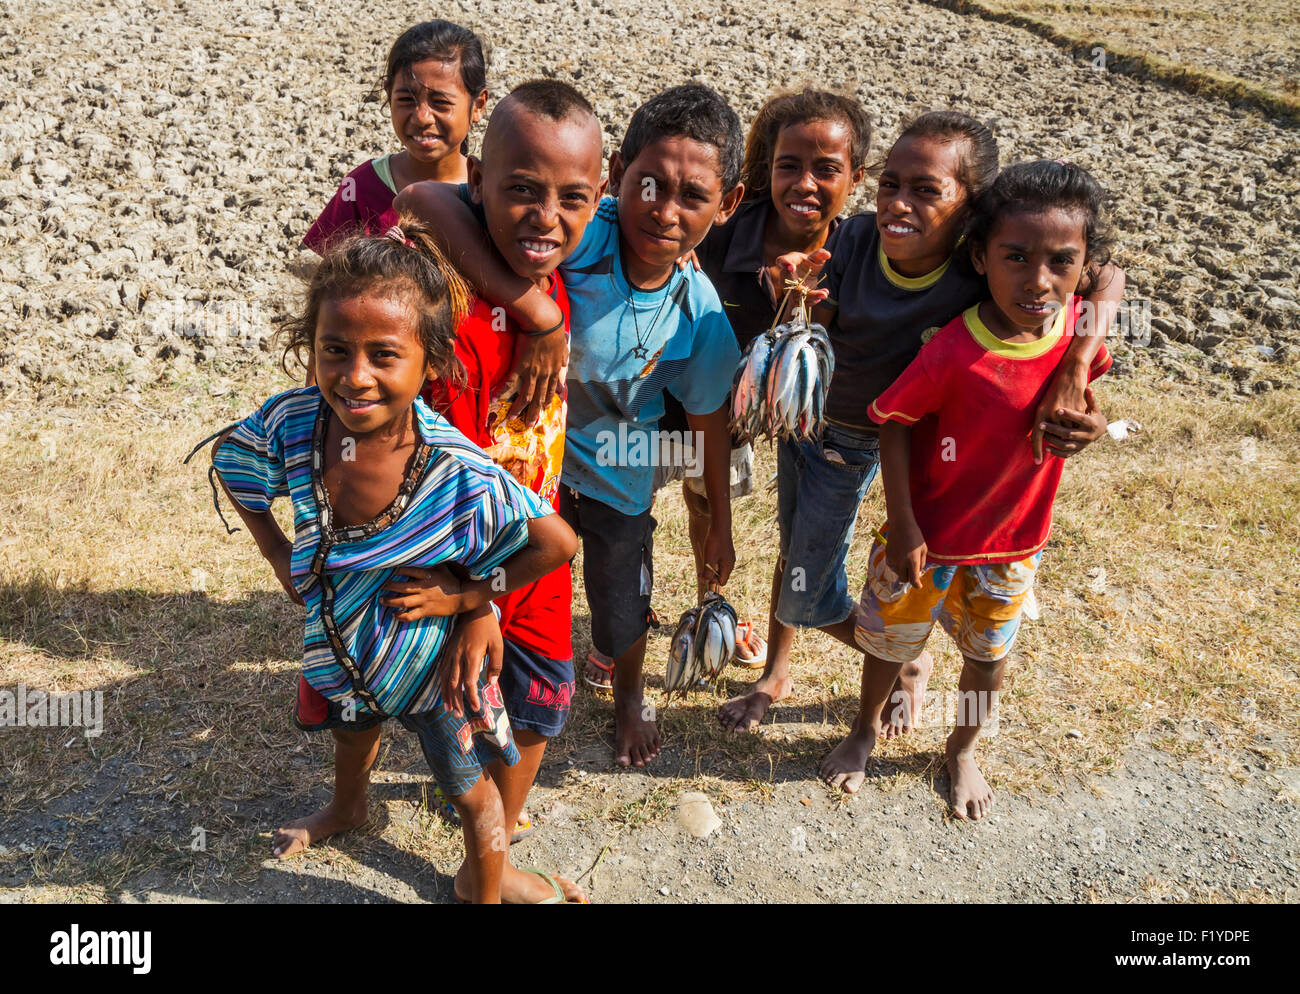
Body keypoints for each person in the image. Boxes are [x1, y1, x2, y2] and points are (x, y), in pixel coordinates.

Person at [200, 218, 577, 902]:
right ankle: (349, 809)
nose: (355, 377)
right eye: (335, 350)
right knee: (353, 732)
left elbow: (555, 543)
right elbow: (232, 461)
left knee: (473, 796)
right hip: (346, 644)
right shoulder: (295, 422)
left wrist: (470, 598)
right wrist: (279, 553)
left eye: (383, 355)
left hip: (429, 659)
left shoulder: (454, 469)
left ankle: (482, 891)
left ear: (431, 361)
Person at [721, 112, 1126, 736]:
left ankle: (904, 656)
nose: (898, 203)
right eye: (890, 183)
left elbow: (1105, 278)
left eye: (926, 189)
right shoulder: (854, 241)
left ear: (971, 214)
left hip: (865, 439)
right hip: (810, 424)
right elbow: (812, 305)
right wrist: (794, 290)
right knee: (796, 548)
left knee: (808, 586)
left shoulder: (979, 273)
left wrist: (1076, 368)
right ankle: (777, 670)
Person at [399, 84, 746, 767]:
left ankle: (628, 702)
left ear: (728, 205)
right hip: (536, 477)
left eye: (693, 197)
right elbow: (425, 199)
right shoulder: (582, 229)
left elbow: (708, 421)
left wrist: (721, 527)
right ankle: (486, 715)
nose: (665, 211)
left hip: (620, 477)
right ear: (618, 174)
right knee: (514, 593)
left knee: (623, 606)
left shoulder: (698, 310)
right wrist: (540, 314)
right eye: (650, 185)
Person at [821, 159, 1116, 817]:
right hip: (926, 539)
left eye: (1061, 263)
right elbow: (895, 424)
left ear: (1084, 265)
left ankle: (962, 747)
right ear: (980, 258)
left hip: (1013, 547)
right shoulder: (954, 349)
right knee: (885, 644)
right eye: (1016, 257)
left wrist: (1092, 422)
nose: (1038, 280)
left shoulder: (1075, 342)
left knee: (989, 660)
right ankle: (865, 730)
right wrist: (903, 522)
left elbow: (1089, 400)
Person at [421, 79, 605, 902]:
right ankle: (487, 882)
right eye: (521, 191)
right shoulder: (454, 305)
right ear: (481, 186)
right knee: (463, 723)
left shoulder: (554, 274)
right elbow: (447, 474)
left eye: (571, 198)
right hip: (472, 573)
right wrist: (478, 599)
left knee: (542, 709)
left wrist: (544, 314)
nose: (546, 218)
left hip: (538, 554)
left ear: (599, 198)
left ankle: (485, 862)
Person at [635, 87, 871, 687]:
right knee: (654, 507)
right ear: (767, 169)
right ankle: (643, 616)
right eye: (788, 165)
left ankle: (743, 633)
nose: (805, 184)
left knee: (747, 518)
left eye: (827, 170)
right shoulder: (721, 227)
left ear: (857, 178)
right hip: (673, 399)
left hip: (767, 416)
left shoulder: (856, 250)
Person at [302, 20, 489, 254]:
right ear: (389, 96)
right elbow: (317, 269)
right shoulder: (363, 187)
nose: (422, 117)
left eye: (440, 102)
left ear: (478, 106)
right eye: (406, 100)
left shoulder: (490, 193)